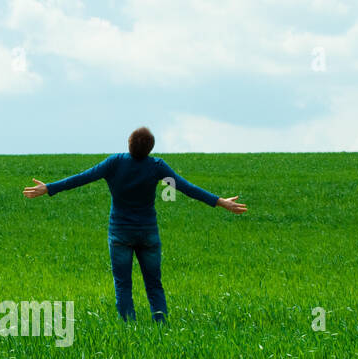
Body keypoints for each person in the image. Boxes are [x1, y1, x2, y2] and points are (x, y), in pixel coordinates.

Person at [23, 126, 247, 322]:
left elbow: (82, 177)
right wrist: (221, 202)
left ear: (128, 144)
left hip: (120, 234)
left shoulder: (114, 163)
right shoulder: (157, 166)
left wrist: (49, 187)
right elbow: (187, 188)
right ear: (150, 148)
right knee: (154, 284)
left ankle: (129, 329)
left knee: (123, 285)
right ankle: (161, 326)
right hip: (148, 233)